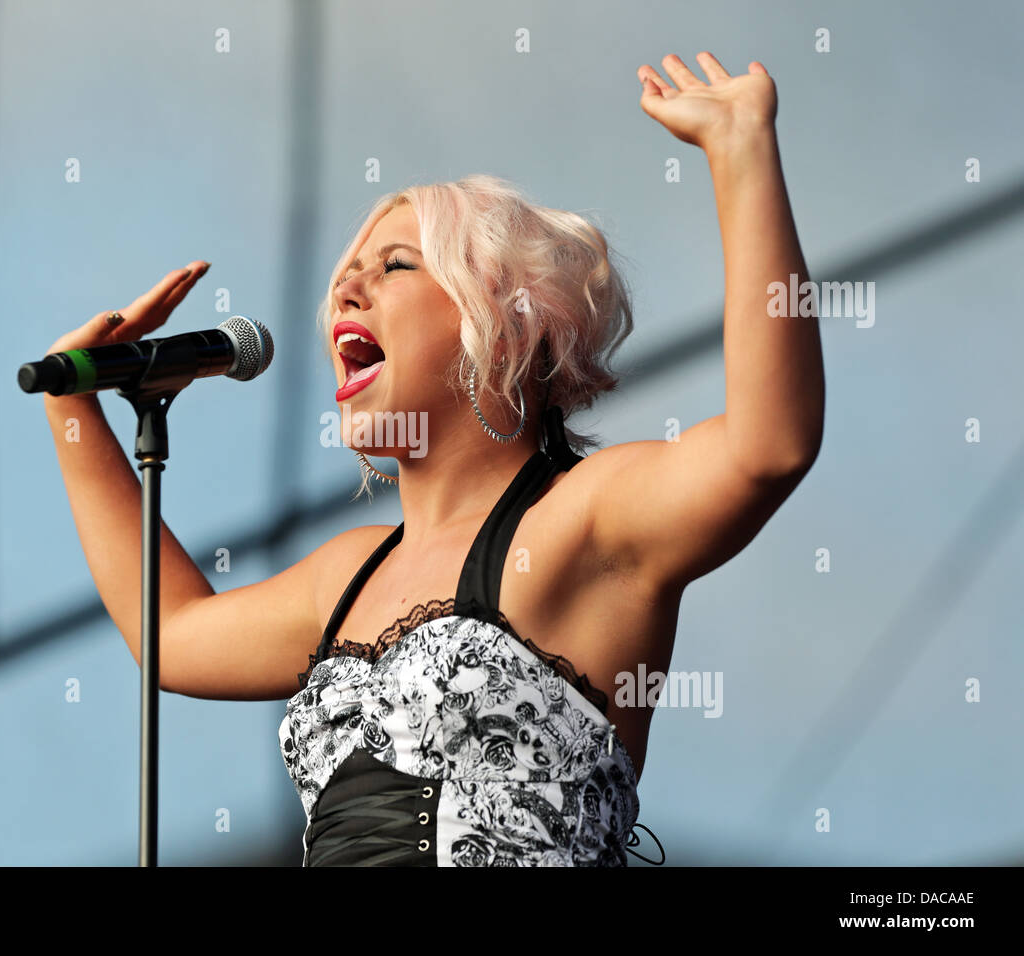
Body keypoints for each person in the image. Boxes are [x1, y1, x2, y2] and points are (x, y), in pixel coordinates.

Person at [41, 51, 823, 866]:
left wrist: (741, 155)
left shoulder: (582, 520)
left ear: (505, 319)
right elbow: (171, 634)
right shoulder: (344, 579)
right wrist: (75, 407)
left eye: (396, 267)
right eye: (346, 276)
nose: (347, 291)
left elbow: (766, 447)